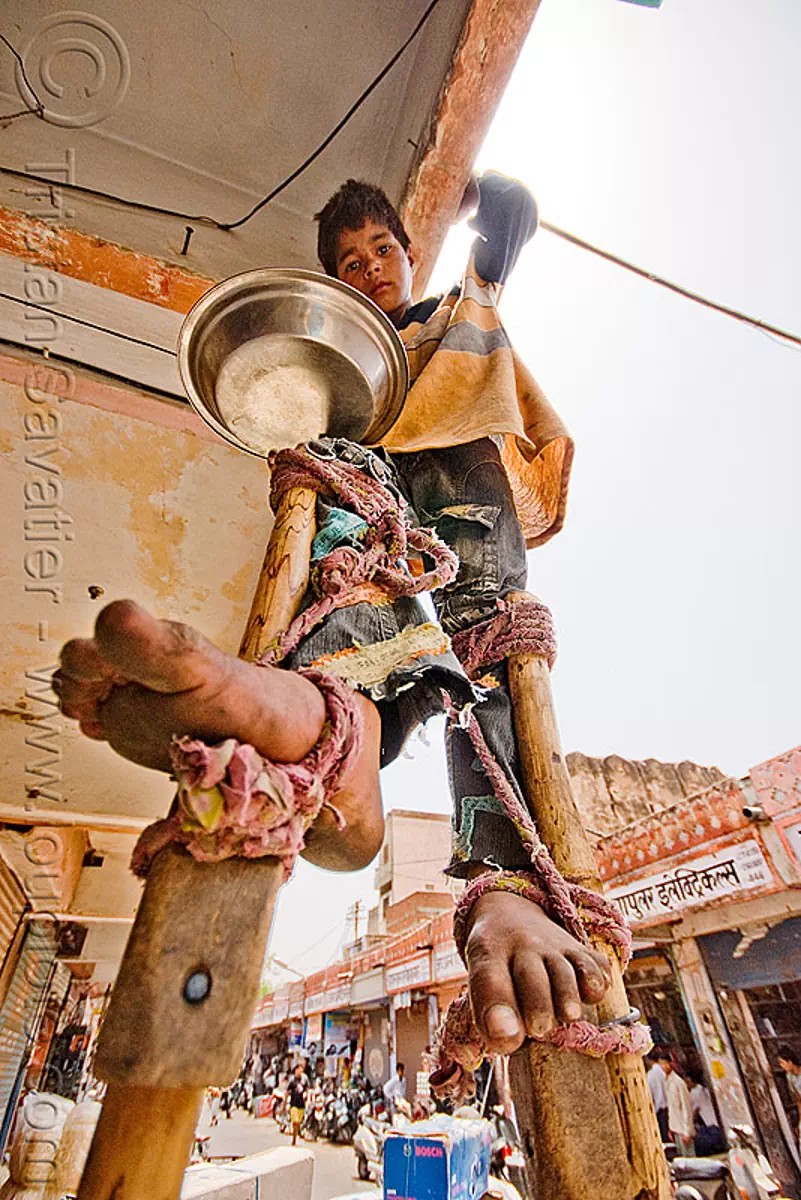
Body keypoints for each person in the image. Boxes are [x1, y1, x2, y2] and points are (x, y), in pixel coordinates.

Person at [52, 172, 612, 1063]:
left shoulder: (447, 314)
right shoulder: (342, 360)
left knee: (486, 645)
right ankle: (334, 731)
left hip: (458, 478)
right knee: (350, 569)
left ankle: (498, 875)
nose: (372, 269)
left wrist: (476, 195)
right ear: (337, 282)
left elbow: (508, 224)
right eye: (351, 262)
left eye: (382, 250)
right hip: (367, 469)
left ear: (406, 254)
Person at [686, 1065, 724, 1156]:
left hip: (711, 1125)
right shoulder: (703, 1089)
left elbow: (693, 1112)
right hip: (716, 1123)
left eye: (687, 1081)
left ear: (690, 1080)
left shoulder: (695, 1093)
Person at [664, 1059, 695, 1156]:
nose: (663, 1067)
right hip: (675, 1128)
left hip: (683, 1129)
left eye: (665, 1063)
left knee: (690, 1160)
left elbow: (686, 1108)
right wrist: (670, 1127)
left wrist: (687, 1132)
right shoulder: (667, 1082)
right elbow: (671, 1108)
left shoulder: (679, 1083)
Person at [777, 1045, 801, 1153]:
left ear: (790, 1062)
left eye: (783, 1062)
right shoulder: (790, 1077)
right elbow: (798, 1099)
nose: (781, 1066)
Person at [646, 1047, 670, 1142]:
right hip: (670, 1108)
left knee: (666, 1137)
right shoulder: (665, 1071)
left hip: (661, 1111)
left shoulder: (650, 1075)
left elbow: (650, 1095)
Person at [287, 1063, 308, 1147]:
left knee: (298, 1122)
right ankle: (294, 1139)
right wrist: (285, 1103)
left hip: (301, 1103)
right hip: (293, 1104)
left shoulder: (304, 1081)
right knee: (295, 1121)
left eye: (301, 1070)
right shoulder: (292, 1081)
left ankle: (295, 1135)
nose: (300, 1072)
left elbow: (307, 1089)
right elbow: (287, 1091)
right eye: (299, 1070)